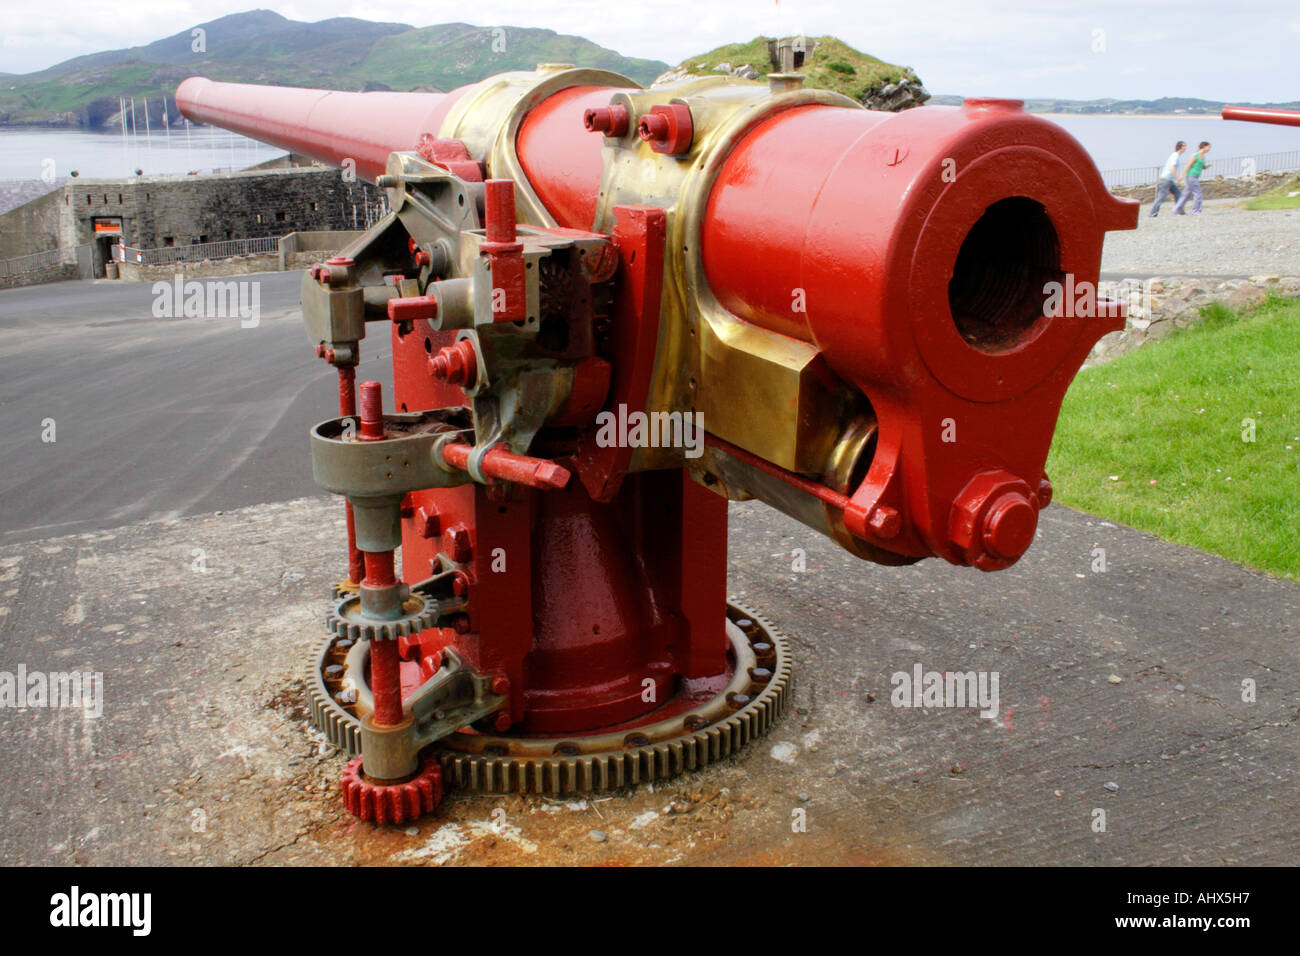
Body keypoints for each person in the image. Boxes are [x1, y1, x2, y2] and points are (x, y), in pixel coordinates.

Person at [1173, 142, 1211, 216]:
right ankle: (1195, 211)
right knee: (1198, 193)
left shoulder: (1203, 156)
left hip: (1195, 176)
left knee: (1186, 195)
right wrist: (1182, 176)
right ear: (1203, 147)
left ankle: (1177, 209)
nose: (1209, 149)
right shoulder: (1195, 155)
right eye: (1208, 147)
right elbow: (1188, 165)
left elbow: (1202, 167)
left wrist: (1207, 166)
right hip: (1191, 176)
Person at [1150, 141, 1185, 216]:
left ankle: (1179, 211)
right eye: (1184, 146)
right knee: (1161, 198)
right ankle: (1153, 213)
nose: (1185, 148)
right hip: (1166, 180)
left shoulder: (1175, 155)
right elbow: (1172, 168)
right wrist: (1177, 179)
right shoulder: (1175, 156)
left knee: (1178, 193)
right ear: (1180, 147)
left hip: (1169, 180)